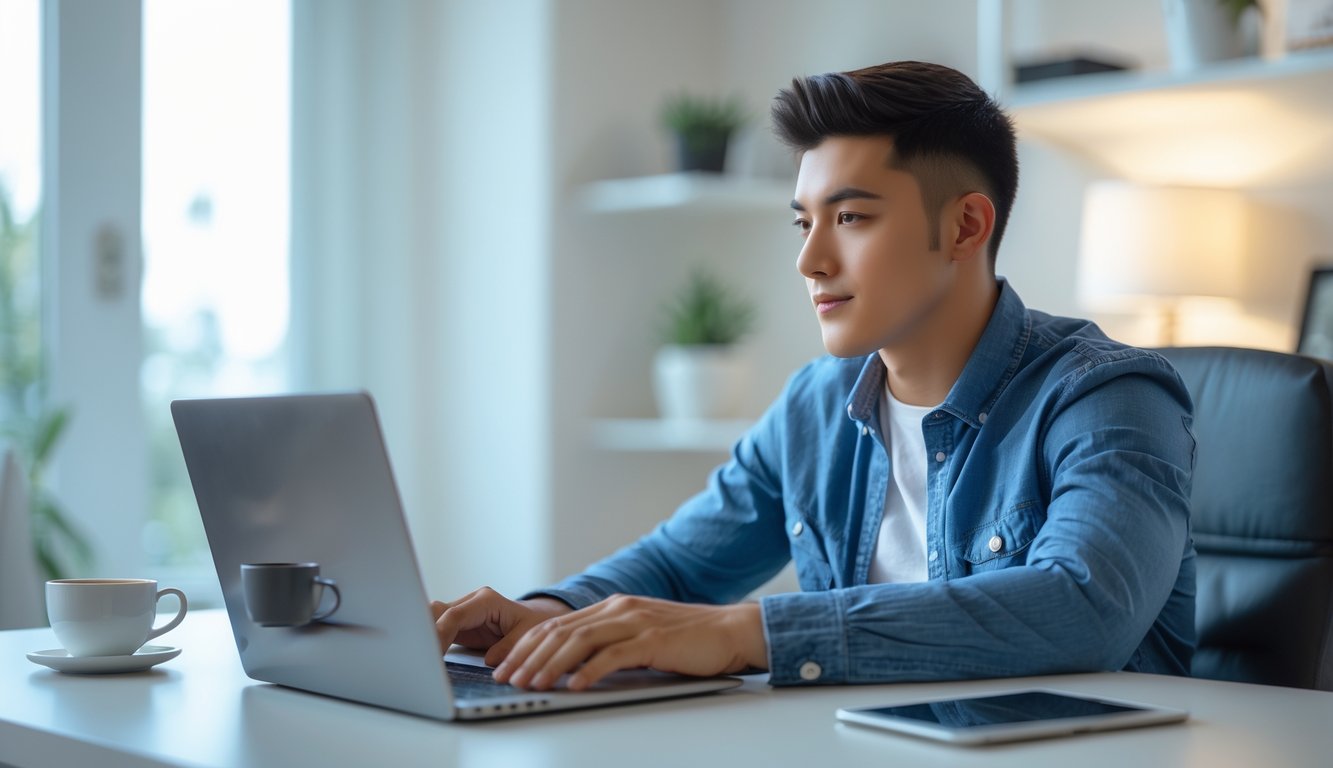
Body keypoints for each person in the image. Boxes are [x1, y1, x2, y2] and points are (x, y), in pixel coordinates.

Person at [431, 60, 1196, 691]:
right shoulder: (813, 406)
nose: (809, 261)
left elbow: (1083, 606)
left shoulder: (1106, 396)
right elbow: (676, 566)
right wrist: (547, 614)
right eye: (804, 221)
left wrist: (748, 632)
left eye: (851, 217)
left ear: (964, 225)